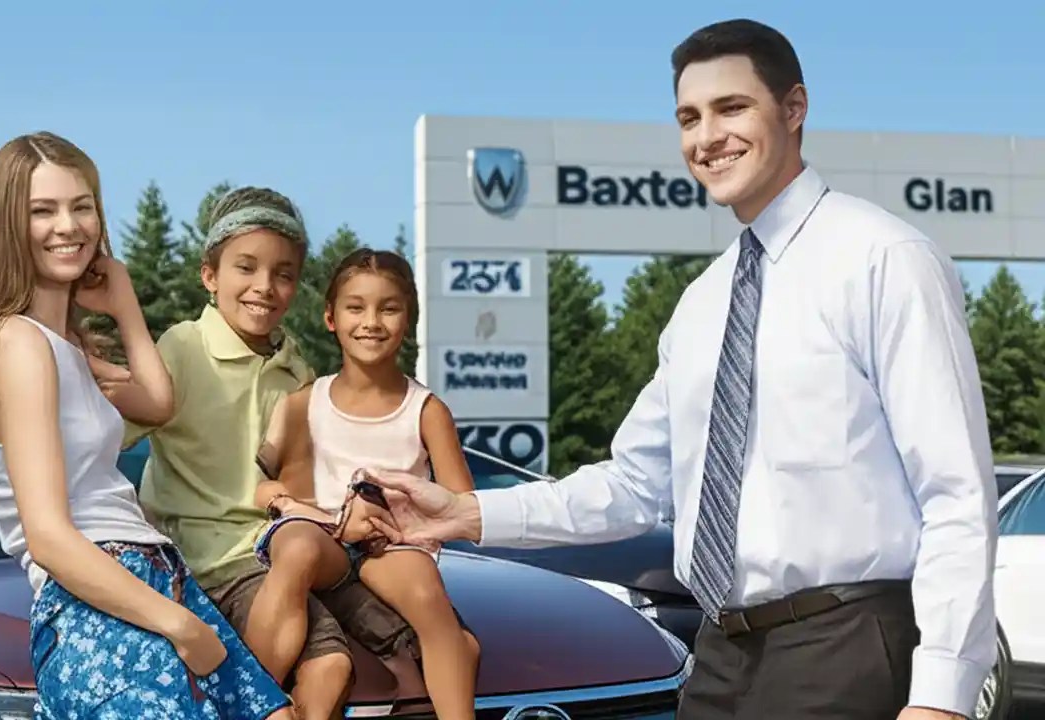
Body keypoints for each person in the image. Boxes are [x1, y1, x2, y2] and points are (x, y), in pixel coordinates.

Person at [365, 19, 998, 720]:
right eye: (689, 118)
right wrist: (469, 513)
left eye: (732, 108)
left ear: (794, 108)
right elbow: (635, 485)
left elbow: (955, 492)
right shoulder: (702, 304)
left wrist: (943, 695)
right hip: (719, 654)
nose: (707, 138)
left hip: (845, 643)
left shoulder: (884, 258)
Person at [0, 132, 293, 719]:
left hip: (154, 577)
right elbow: (49, 538)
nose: (68, 225)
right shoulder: (17, 345)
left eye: (82, 206)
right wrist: (178, 624)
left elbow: (158, 404)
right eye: (42, 210)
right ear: (6, 223)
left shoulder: (63, 347)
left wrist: (125, 303)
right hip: (99, 605)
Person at [104, 188, 422, 719]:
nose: (264, 287)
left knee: (377, 654)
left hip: (287, 550)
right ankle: (243, 705)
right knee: (328, 656)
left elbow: (304, 479)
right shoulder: (181, 349)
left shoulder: (295, 369)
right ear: (210, 275)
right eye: (245, 268)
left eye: (284, 274)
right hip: (216, 562)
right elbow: (100, 438)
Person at [250, 248, 481, 720]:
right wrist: (296, 506)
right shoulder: (302, 404)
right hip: (326, 537)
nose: (371, 321)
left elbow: (463, 507)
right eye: (356, 307)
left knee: (426, 597)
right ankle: (248, 698)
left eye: (389, 308)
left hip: (393, 547)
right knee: (296, 547)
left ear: (408, 320)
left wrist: (410, 525)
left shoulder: (427, 410)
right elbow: (261, 488)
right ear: (331, 318)